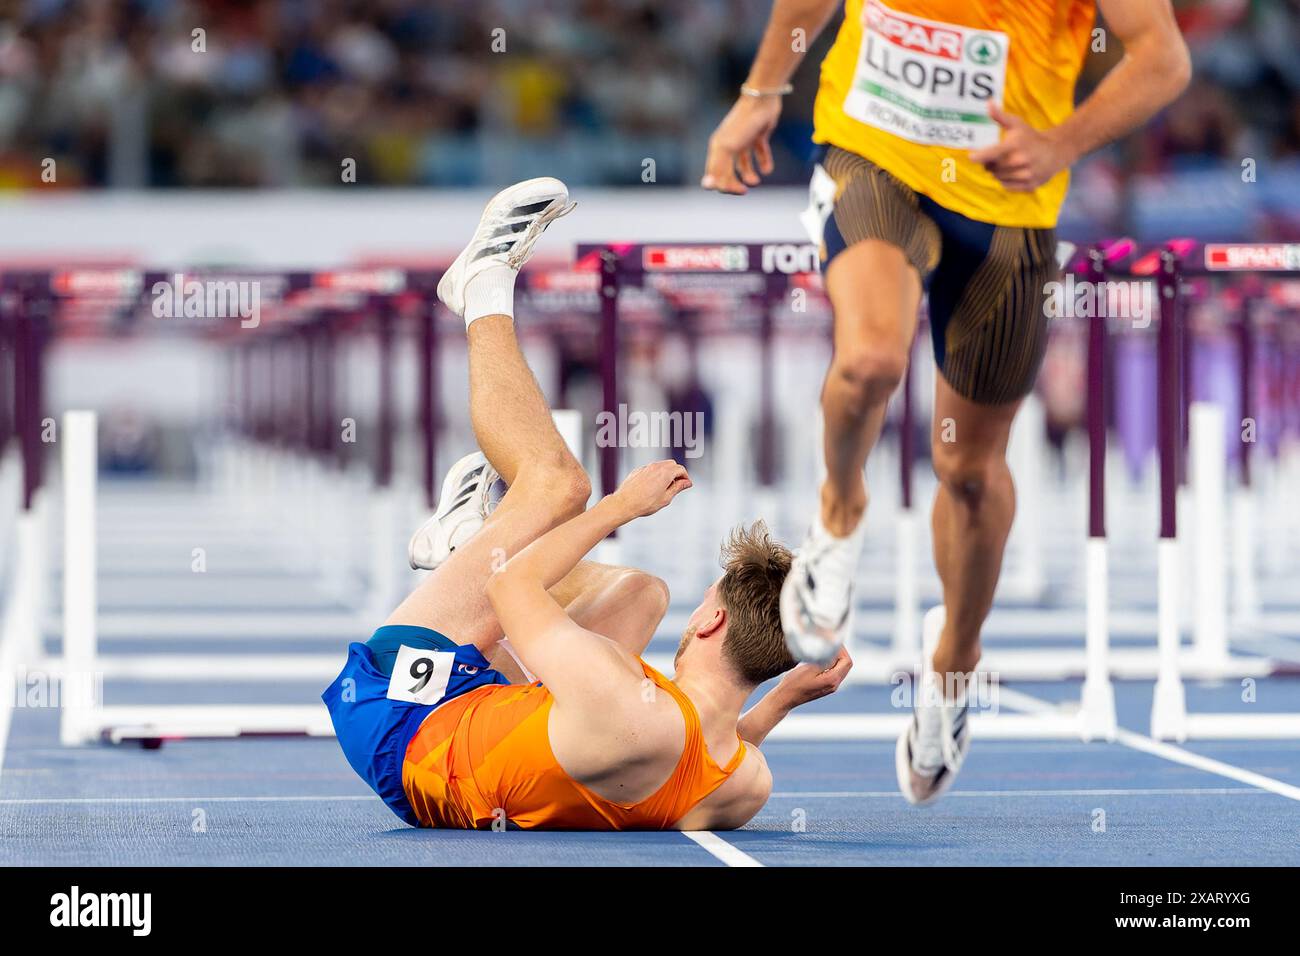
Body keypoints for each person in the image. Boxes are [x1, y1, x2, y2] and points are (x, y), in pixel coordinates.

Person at [702, 0, 1190, 804]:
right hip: (875, 154)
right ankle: (838, 516)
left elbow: (1164, 59)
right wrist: (761, 91)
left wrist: (1060, 142)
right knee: (867, 361)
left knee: (968, 469)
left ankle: (954, 665)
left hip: (1005, 206)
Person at [323, 178, 852, 830]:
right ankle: (470, 543)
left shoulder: (616, 695)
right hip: (487, 730)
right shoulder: (744, 784)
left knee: (557, 487)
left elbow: (515, 585)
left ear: (711, 624)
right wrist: (782, 700)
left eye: (707, 603)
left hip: (398, 718)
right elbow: (713, 757)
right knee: (642, 593)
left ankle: (480, 285)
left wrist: (619, 507)